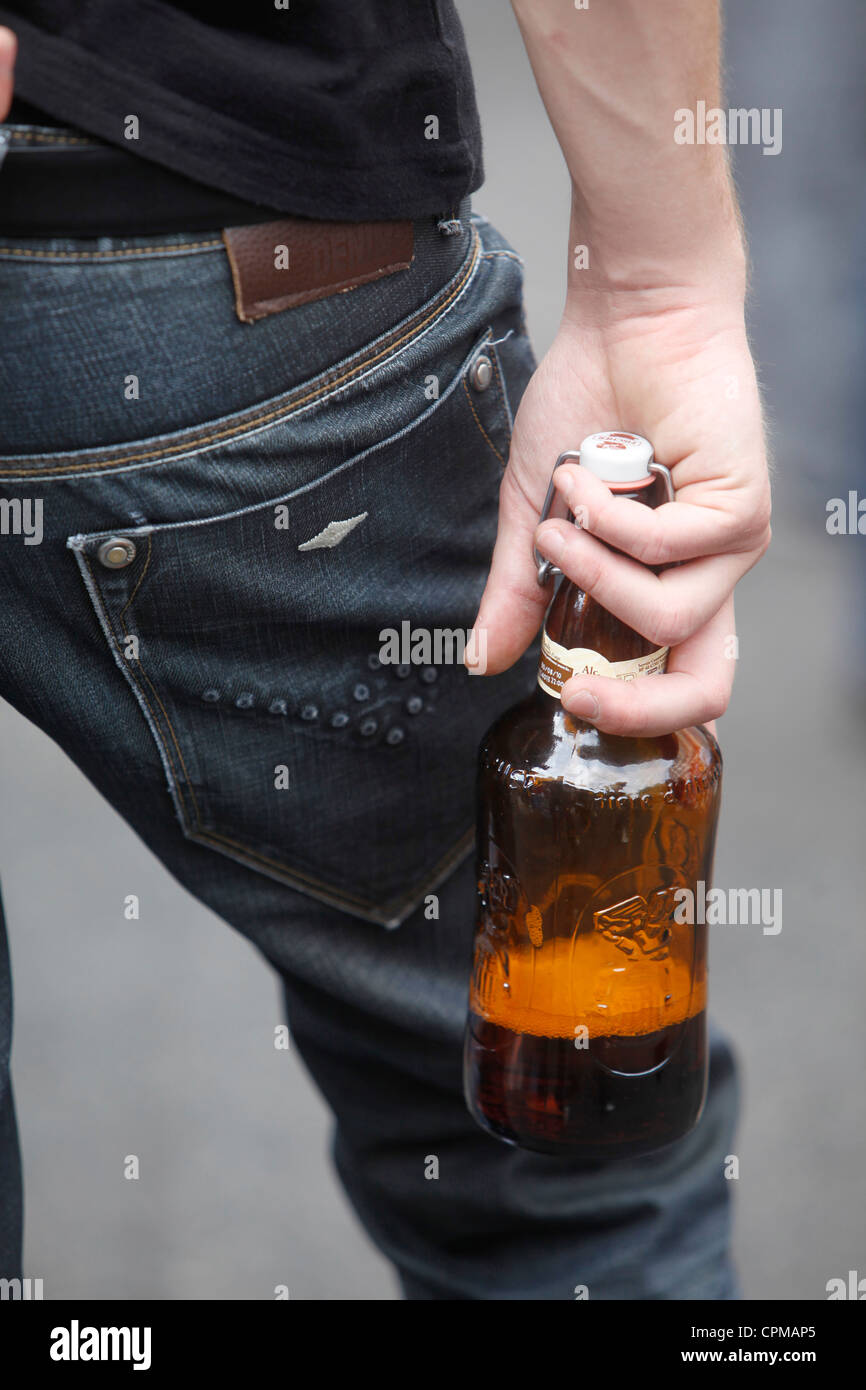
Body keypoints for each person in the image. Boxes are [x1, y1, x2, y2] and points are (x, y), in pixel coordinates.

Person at [0, 2, 770, 1299]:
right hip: (219, 222)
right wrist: (658, 286)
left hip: (191, 219)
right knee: (564, 1162)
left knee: (561, 1094)